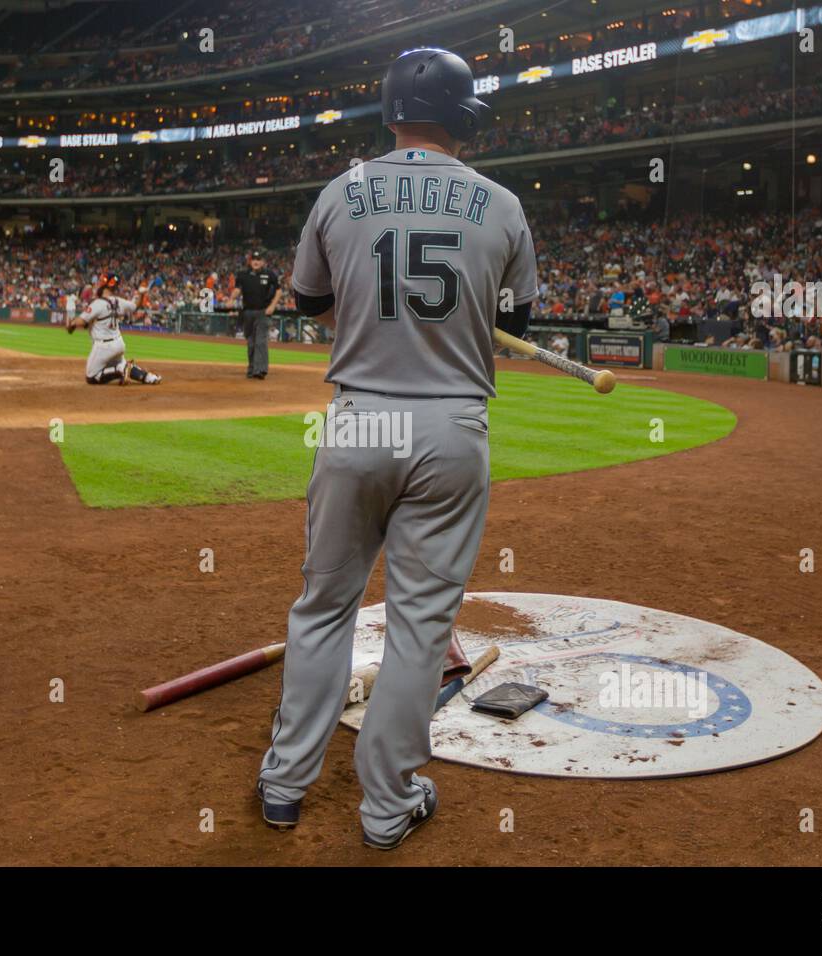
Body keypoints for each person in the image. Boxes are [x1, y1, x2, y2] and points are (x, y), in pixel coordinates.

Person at [257, 47, 536, 850]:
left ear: (389, 115)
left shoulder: (341, 190)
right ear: (461, 122)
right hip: (451, 426)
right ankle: (387, 807)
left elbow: (311, 301)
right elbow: (520, 318)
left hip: (359, 418)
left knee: (322, 607)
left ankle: (284, 784)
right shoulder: (501, 202)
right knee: (419, 624)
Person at [65, 273, 162, 386]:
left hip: (103, 347)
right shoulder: (119, 301)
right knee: (122, 363)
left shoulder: (97, 304)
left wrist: (70, 311)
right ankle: (148, 377)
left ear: (104, 285)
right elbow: (135, 306)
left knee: (91, 377)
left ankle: (120, 369)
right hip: (119, 343)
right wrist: (140, 294)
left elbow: (74, 325)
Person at [234, 250, 280, 379]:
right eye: (254, 259)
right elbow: (237, 289)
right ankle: (252, 369)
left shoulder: (269, 274)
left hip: (263, 312)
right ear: (250, 261)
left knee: (260, 341)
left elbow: (278, 291)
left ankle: (260, 370)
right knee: (251, 342)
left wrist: (272, 306)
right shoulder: (243, 275)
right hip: (247, 312)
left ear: (263, 262)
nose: (256, 262)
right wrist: (231, 297)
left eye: (258, 259)